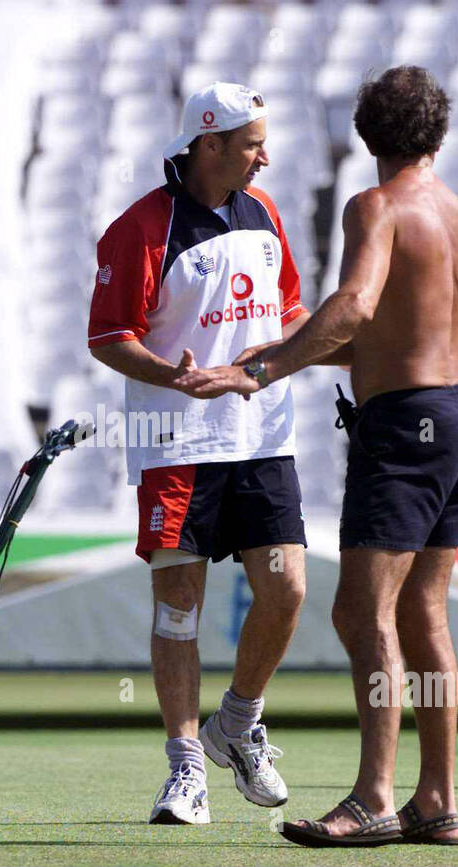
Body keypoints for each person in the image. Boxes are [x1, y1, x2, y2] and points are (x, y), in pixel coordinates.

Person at [179, 66, 458, 846]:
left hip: (405, 429)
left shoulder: (374, 206)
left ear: (365, 135)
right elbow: (400, 338)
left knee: (361, 609)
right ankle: (436, 799)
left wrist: (264, 368)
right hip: (456, 416)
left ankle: (375, 796)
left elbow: (356, 305)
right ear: (438, 134)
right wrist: (285, 352)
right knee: (422, 609)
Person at [88, 82, 310, 824]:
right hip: (175, 443)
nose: (265, 158)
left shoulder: (266, 211)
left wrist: (295, 356)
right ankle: (187, 769)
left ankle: (237, 724)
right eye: (252, 145)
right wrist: (177, 376)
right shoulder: (141, 228)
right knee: (178, 606)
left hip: (263, 438)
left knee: (287, 588)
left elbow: (293, 310)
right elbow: (108, 336)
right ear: (207, 143)